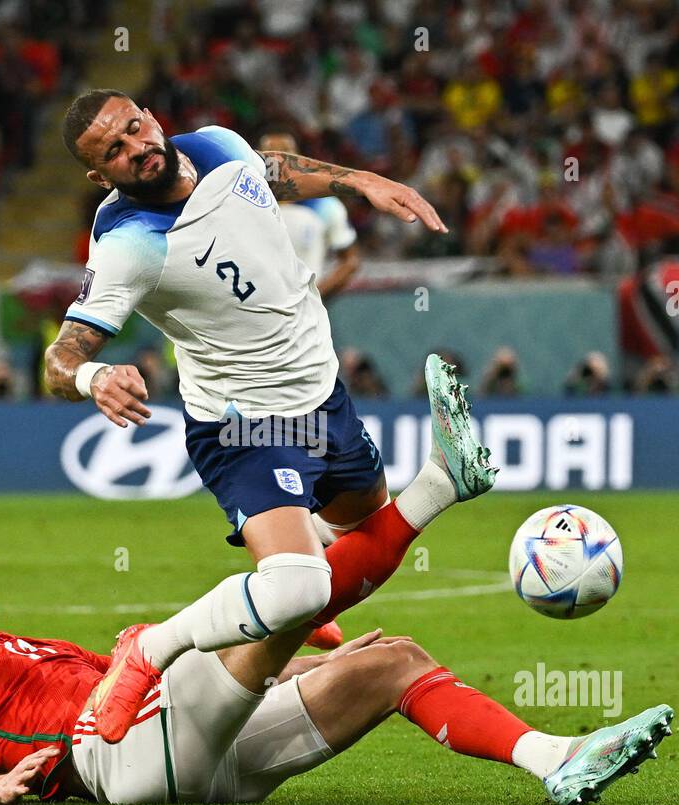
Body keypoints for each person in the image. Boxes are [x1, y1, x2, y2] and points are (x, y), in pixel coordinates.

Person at [45, 90, 498, 741]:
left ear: (151, 116)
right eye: (112, 151)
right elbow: (61, 356)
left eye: (135, 128)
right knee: (299, 586)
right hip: (244, 422)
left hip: (321, 391)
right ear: (99, 176)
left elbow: (274, 169)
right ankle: (150, 648)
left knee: (370, 539)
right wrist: (92, 376)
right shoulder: (128, 244)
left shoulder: (218, 145)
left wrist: (359, 182)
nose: (135, 148)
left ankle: (313, 586)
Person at [0, 511, 674, 805]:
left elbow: (206, 692)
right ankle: (430, 493)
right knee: (273, 601)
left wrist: (316, 673)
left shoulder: (36, 647)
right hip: (112, 755)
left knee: (391, 661)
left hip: (193, 754)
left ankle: (556, 760)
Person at [258, 130, 362, 300]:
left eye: (283, 153)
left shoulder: (324, 205)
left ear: (296, 158)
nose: (275, 162)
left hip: (308, 315)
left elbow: (350, 261)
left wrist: (316, 296)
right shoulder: (248, 202)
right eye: (268, 155)